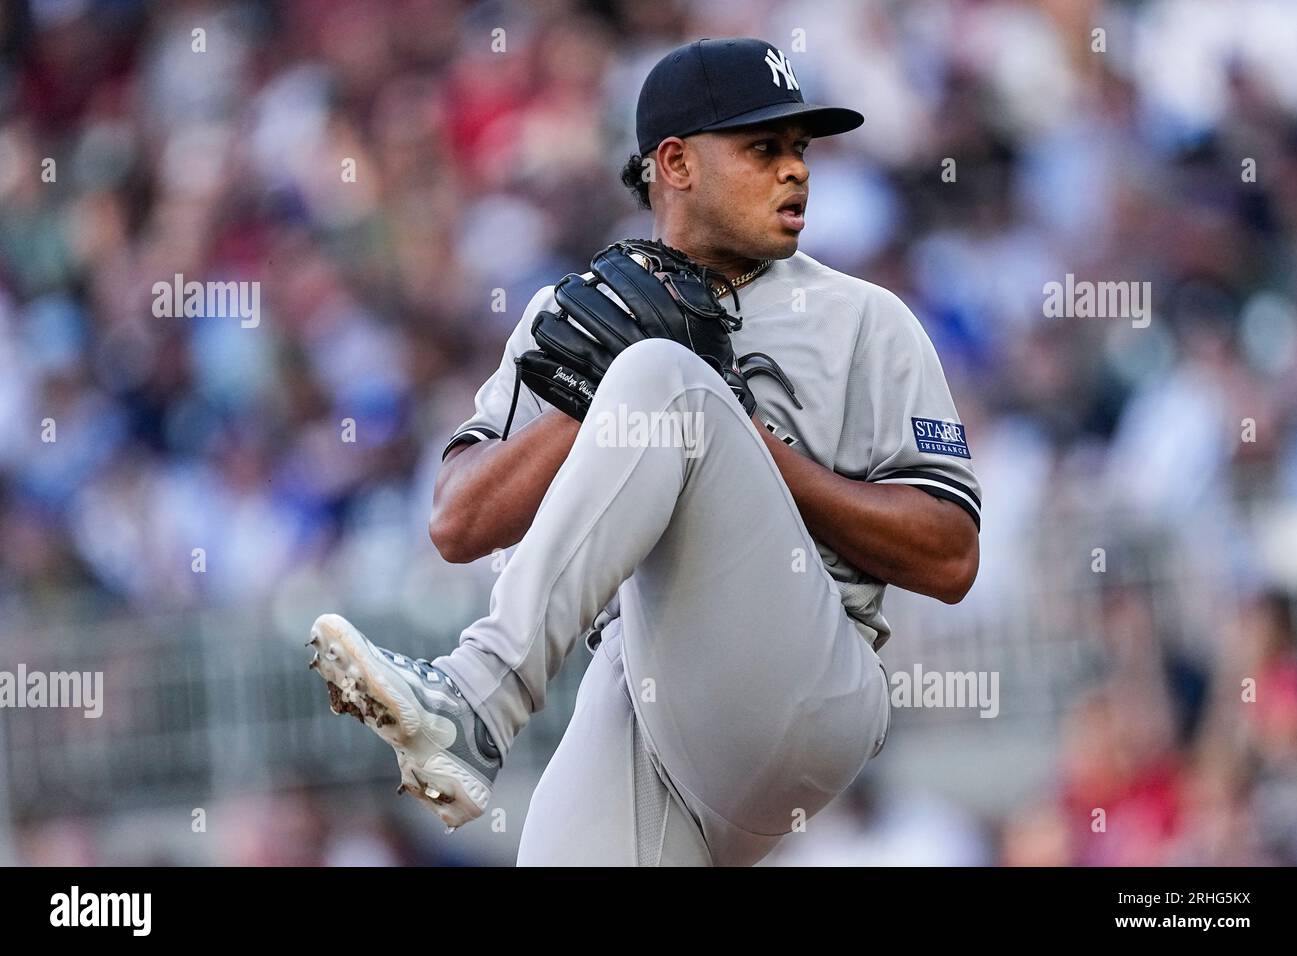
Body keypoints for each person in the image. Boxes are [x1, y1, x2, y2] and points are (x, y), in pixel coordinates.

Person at [309, 37, 981, 866]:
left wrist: (737, 433)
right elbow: (457, 520)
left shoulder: (866, 318)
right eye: (762, 148)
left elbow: (951, 558)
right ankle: (472, 705)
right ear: (675, 162)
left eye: (800, 150)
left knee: (666, 372)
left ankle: (480, 693)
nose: (796, 170)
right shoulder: (582, 308)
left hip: (810, 683)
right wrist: (589, 405)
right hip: (649, 702)